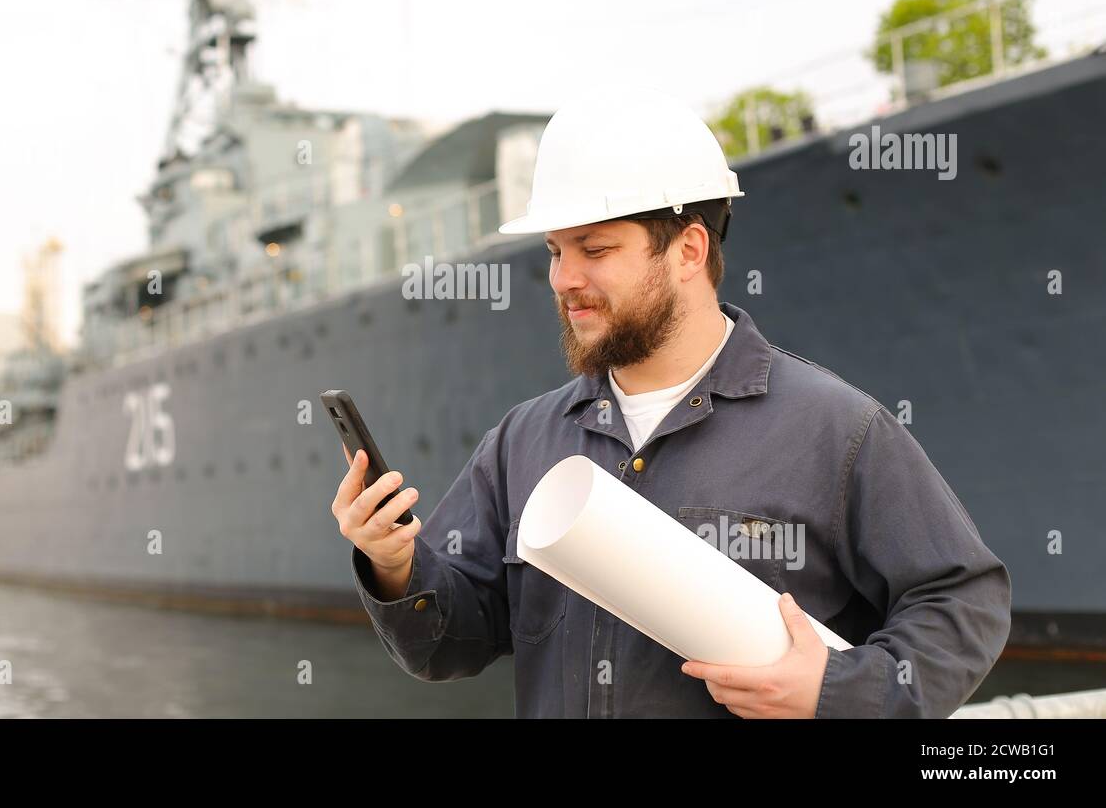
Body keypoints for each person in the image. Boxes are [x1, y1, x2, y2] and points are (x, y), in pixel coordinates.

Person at [330, 85, 1011, 718]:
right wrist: (393, 567)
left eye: (595, 249)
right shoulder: (521, 442)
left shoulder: (836, 430)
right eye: (554, 251)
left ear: (688, 250)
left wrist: (834, 692)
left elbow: (962, 601)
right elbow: (448, 646)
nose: (565, 279)